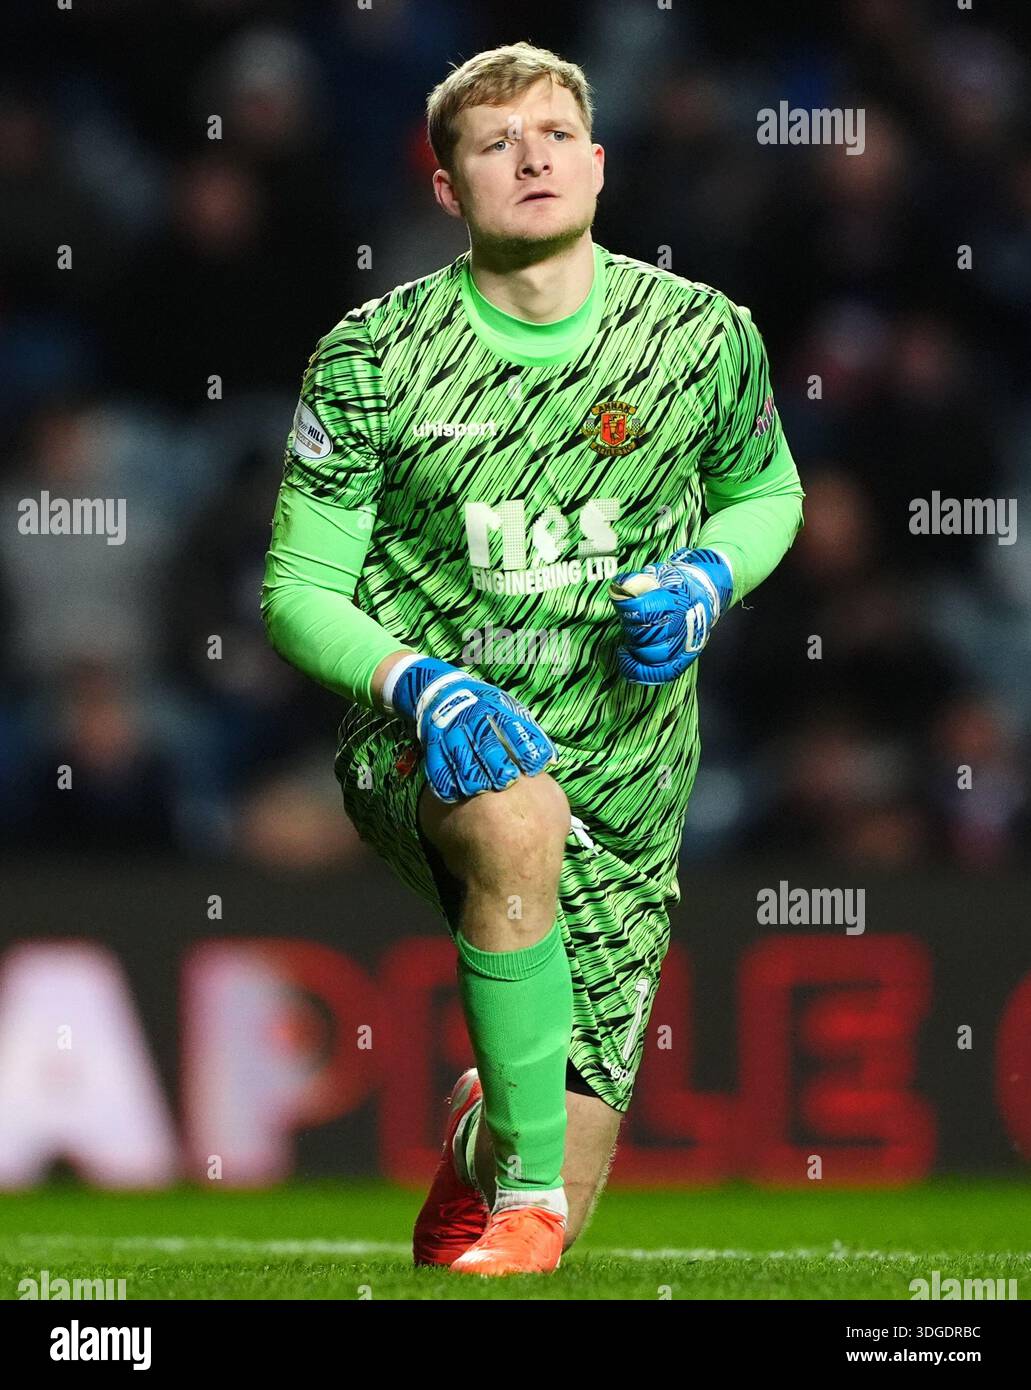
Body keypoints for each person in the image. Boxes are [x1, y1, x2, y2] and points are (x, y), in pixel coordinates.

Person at [261, 41, 805, 1276]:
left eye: (555, 133)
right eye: (496, 142)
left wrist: (707, 575)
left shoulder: (701, 336)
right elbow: (297, 593)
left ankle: (490, 1148)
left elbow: (766, 495)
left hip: (631, 770)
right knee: (517, 818)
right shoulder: (374, 356)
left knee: (557, 1211)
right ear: (448, 190)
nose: (532, 156)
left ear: (598, 166)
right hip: (434, 739)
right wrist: (423, 680)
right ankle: (522, 1186)